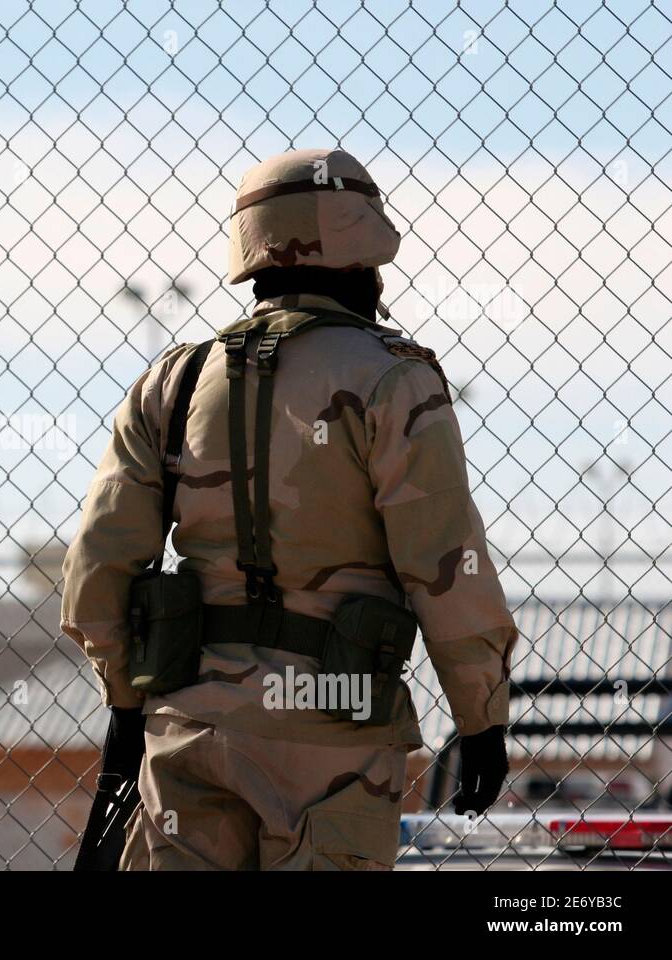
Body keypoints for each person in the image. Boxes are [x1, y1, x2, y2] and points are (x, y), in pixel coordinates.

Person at [61, 147, 517, 870]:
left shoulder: (173, 382)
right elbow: (444, 562)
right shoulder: (394, 380)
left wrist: (124, 701)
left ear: (253, 254)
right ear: (366, 253)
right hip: (328, 739)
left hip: (189, 729)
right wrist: (481, 716)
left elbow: (98, 565)